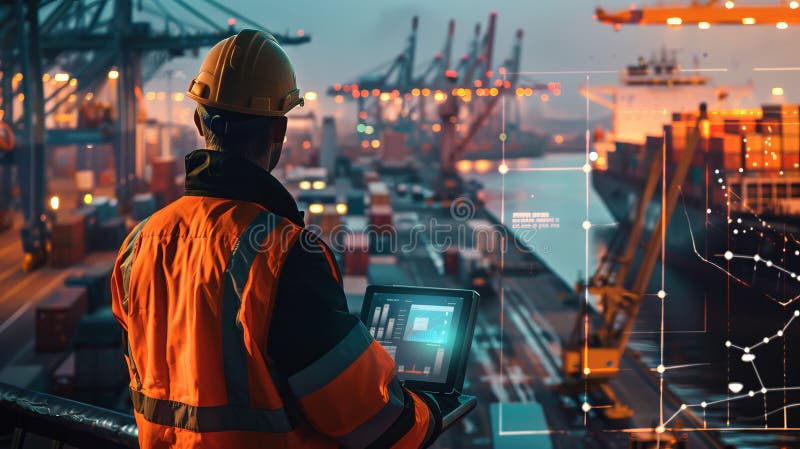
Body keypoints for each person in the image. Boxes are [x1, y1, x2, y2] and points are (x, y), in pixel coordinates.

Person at [111, 29, 442, 449]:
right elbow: (368, 419)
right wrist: (429, 416)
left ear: (198, 121)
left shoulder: (137, 245)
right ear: (279, 133)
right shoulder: (285, 256)